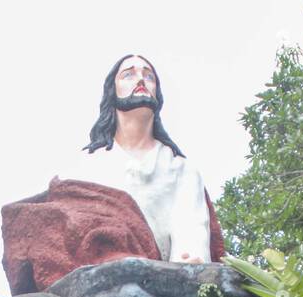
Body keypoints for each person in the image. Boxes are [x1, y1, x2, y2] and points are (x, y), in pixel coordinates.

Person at [70, 54, 212, 265]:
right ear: (112, 90)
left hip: (163, 276)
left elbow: (191, 233)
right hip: (101, 273)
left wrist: (187, 262)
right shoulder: (89, 166)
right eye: (128, 74)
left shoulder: (180, 169)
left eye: (149, 76)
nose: (140, 80)